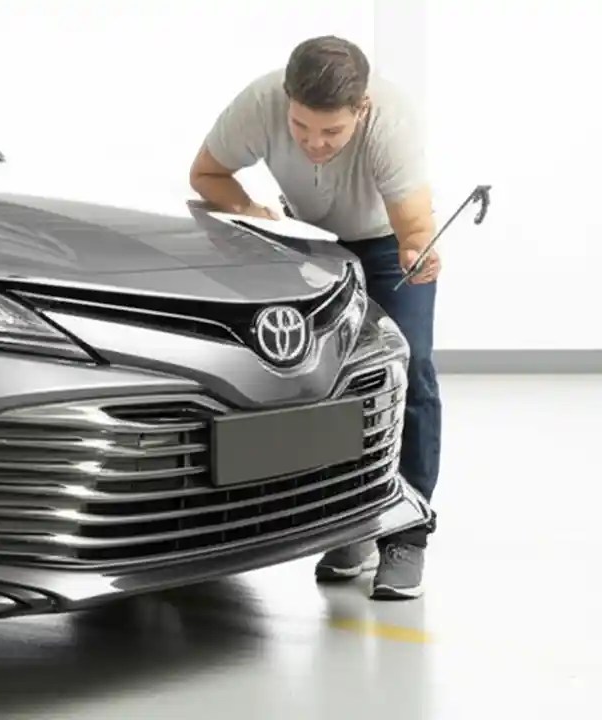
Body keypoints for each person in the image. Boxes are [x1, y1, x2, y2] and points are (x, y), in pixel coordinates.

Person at [188, 35, 440, 600]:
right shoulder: (259, 103)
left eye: (332, 132)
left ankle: (407, 533)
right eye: (301, 129)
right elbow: (206, 175)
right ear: (286, 100)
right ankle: (350, 522)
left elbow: (414, 228)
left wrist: (417, 249)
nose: (314, 144)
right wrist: (251, 211)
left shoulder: (391, 119)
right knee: (321, 382)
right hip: (308, 239)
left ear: (362, 110)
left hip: (383, 241)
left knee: (410, 373)